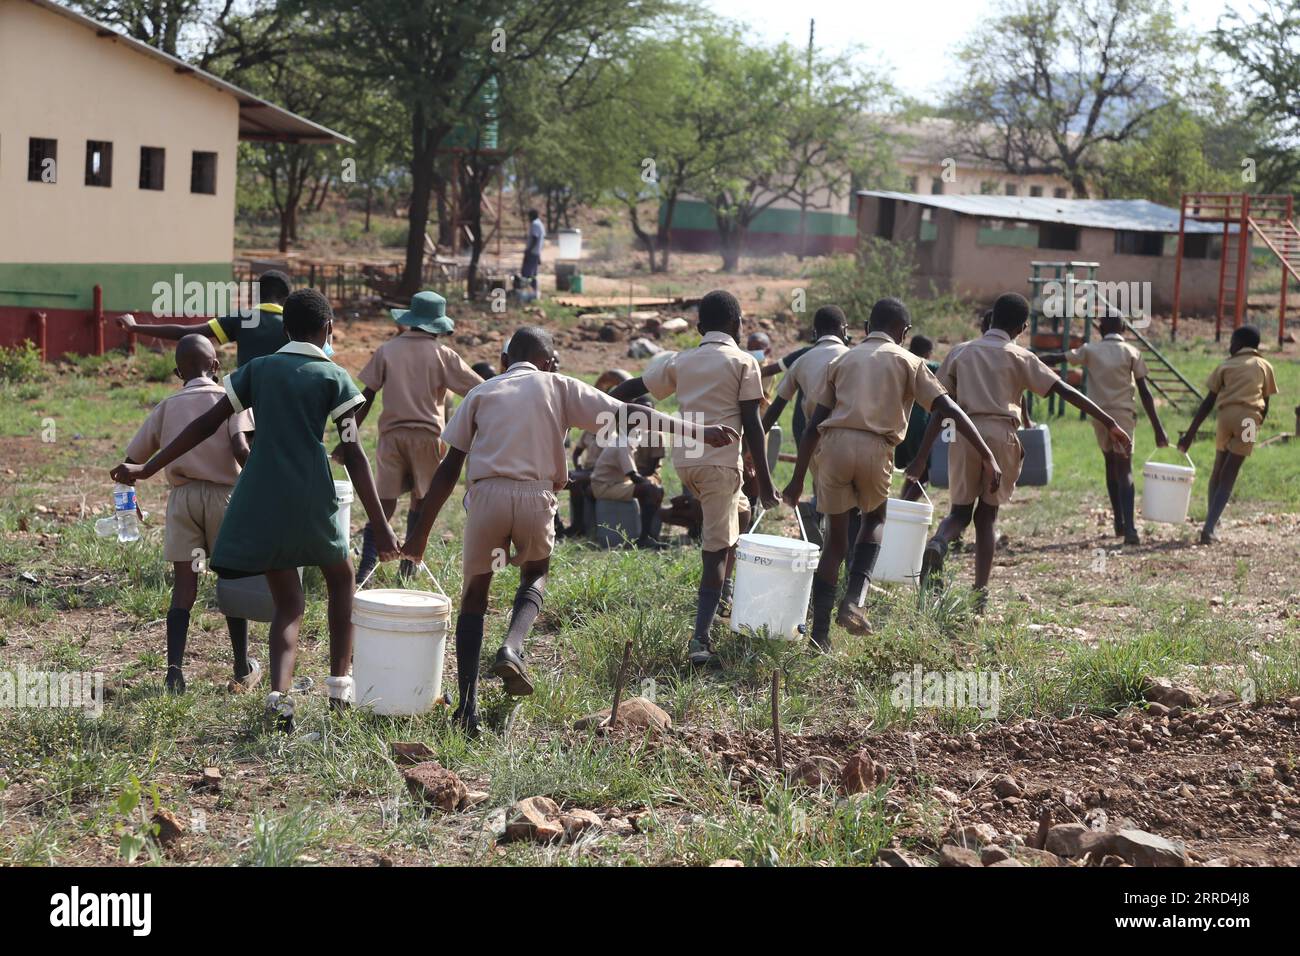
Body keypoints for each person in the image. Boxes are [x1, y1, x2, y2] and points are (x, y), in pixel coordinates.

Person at [400, 327, 737, 734]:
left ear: (507, 361)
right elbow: (634, 414)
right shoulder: (557, 386)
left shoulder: (481, 392)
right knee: (535, 572)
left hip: (486, 496)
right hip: (534, 497)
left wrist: (419, 533)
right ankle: (512, 645)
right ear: (546, 361)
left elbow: (449, 467)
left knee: (474, 596)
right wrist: (700, 432)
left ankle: (467, 708)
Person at [111, 289, 400, 732]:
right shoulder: (334, 376)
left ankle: (279, 697)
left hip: (261, 495)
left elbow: (205, 423)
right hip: (311, 493)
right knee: (341, 579)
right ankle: (340, 687)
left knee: (288, 603)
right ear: (328, 330)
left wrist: (148, 468)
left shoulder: (257, 370)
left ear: (284, 329)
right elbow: (354, 452)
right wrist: (380, 526)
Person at [783, 298, 1000, 643]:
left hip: (833, 446)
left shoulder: (842, 359)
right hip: (875, 447)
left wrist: (796, 482)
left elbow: (812, 426)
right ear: (904, 333)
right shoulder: (909, 361)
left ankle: (819, 637)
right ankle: (854, 599)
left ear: (866, 329)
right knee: (874, 521)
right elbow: (949, 408)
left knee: (834, 542)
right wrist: (987, 454)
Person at [908, 292, 1131, 606]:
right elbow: (1065, 390)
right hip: (1002, 435)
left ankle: (940, 541)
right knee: (987, 518)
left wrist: (921, 458)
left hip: (964, 434)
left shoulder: (960, 352)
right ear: (1023, 327)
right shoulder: (1022, 357)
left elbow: (940, 407)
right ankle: (980, 593)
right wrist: (1109, 422)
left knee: (959, 513)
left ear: (992, 318)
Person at [611, 290, 779, 668]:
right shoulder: (743, 362)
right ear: (738, 325)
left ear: (700, 327)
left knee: (741, 513)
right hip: (720, 463)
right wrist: (766, 484)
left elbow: (631, 388)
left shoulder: (681, 360)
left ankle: (723, 595)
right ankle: (700, 641)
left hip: (686, 463)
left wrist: (602, 403)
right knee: (716, 550)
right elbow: (752, 422)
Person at [121, 335, 257, 695]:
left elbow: (131, 461)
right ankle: (241, 666)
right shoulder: (230, 398)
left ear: (177, 370)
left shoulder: (167, 405)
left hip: (181, 501)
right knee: (231, 582)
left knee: (185, 586)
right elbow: (241, 447)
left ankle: (174, 672)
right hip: (225, 499)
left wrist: (128, 493)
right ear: (215, 366)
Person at [342, 291, 482, 583]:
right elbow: (479, 389)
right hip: (428, 437)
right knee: (422, 499)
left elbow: (366, 396)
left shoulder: (388, 350)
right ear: (439, 325)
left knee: (385, 501)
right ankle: (408, 566)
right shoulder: (443, 355)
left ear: (410, 320)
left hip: (391, 437)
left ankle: (367, 567)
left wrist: (348, 437)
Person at [1039, 312, 1169, 543]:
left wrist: (1031, 358)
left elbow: (1060, 358)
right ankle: (1130, 529)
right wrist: (1158, 429)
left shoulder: (1090, 350)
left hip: (1098, 415)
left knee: (1109, 462)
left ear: (1099, 329)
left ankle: (1118, 522)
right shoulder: (1131, 352)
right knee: (1124, 468)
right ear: (1124, 330)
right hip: (1123, 416)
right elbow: (1146, 393)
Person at [1177, 324, 1278, 545]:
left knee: (1218, 468)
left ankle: (1213, 521)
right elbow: (1266, 402)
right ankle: (1210, 527)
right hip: (1250, 418)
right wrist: (1256, 427)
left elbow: (1207, 403)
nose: (1230, 346)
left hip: (1225, 416)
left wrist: (1190, 434)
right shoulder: (1264, 365)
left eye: (1232, 342)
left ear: (1240, 344)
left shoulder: (1225, 365)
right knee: (1230, 473)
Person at [117, 270, 293, 367]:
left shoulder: (242, 319)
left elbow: (185, 332)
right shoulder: (295, 324)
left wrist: (135, 327)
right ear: (286, 299)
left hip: (246, 400)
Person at [589, 395, 666, 549]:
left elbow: (646, 470)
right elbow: (634, 476)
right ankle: (644, 537)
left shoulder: (626, 441)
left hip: (614, 483)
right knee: (651, 491)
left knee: (652, 490)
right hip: (606, 486)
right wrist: (650, 487)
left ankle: (648, 534)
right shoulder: (623, 444)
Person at [893, 334, 940, 475]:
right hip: (919, 425)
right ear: (927, 352)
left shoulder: (900, 361)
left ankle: (905, 497)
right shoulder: (927, 365)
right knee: (922, 471)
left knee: (911, 469)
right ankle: (908, 497)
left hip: (900, 423)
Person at [522, 210, 545, 293]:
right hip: (536, 252)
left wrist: (529, 250)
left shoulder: (535, 224)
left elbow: (535, 238)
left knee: (526, 273)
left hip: (532, 252)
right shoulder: (540, 224)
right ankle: (534, 291)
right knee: (533, 274)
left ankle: (526, 291)